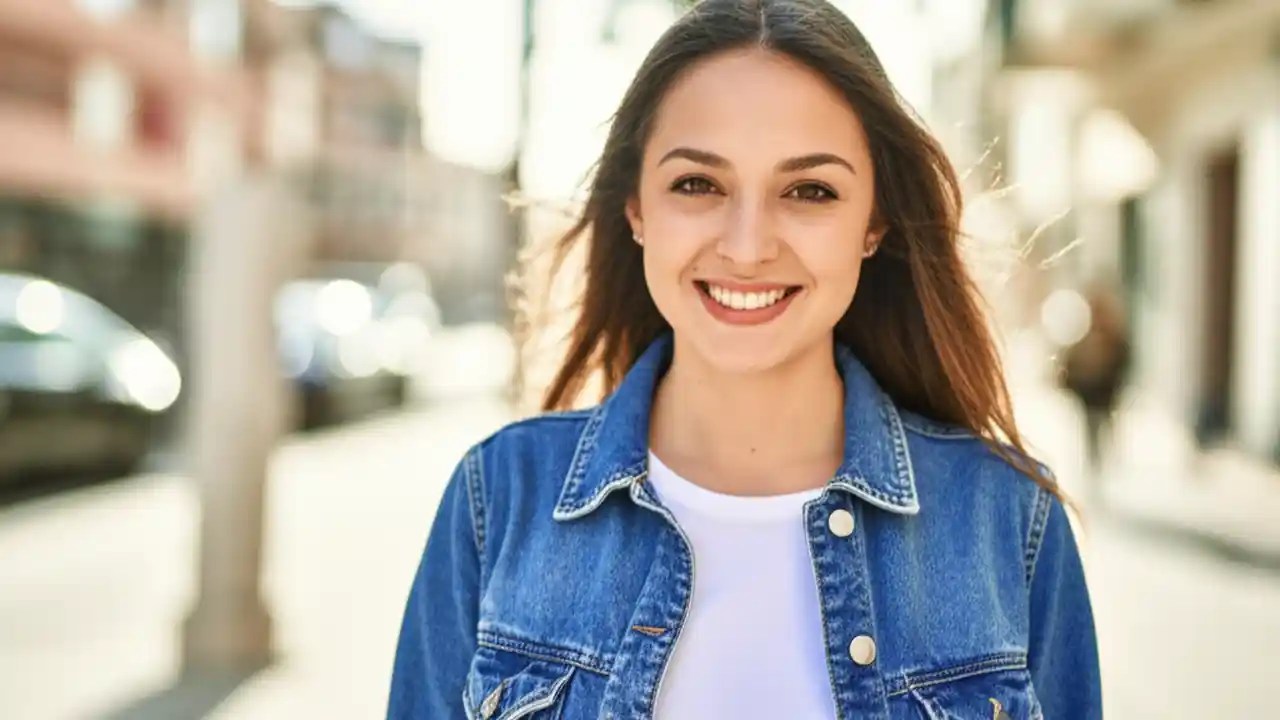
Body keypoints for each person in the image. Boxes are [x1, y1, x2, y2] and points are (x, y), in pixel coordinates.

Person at [388, 1, 1102, 718]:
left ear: (873, 222)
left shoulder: (1006, 520)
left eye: (809, 190)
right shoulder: (499, 500)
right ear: (637, 207)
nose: (748, 244)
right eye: (698, 184)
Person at [1060, 280, 1131, 480]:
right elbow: (1069, 364)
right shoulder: (1084, 336)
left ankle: (1106, 465)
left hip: (1105, 394)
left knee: (1105, 427)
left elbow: (1122, 362)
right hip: (1089, 395)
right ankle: (1095, 467)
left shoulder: (1114, 337)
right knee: (1091, 430)